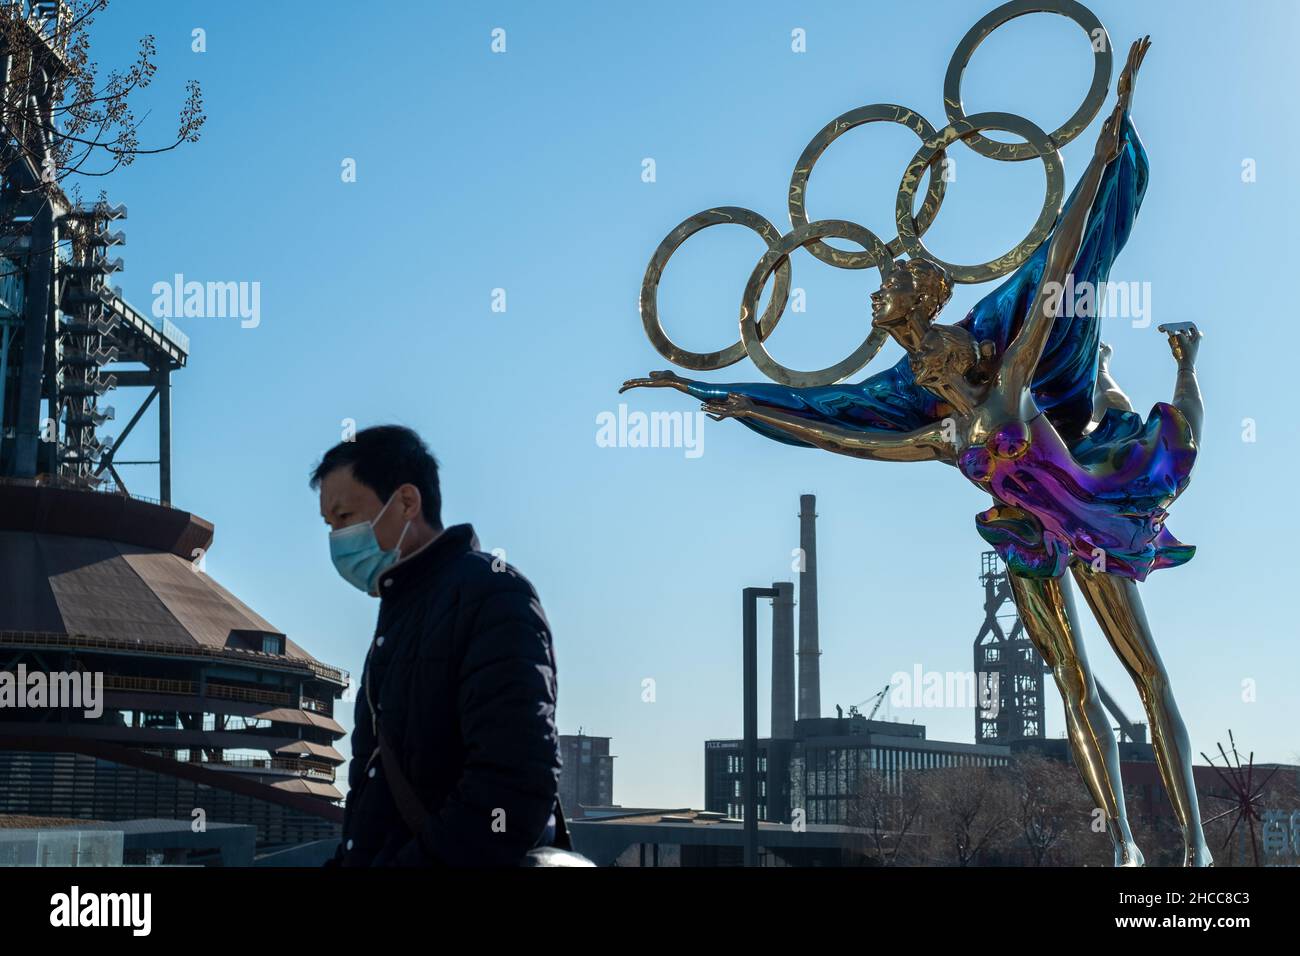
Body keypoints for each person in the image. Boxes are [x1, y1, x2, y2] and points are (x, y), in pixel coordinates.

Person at [624, 39, 1213, 867]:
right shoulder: (932, 422)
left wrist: (1105, 148)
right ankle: (1120, 844)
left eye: (894, 289)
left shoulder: (1003, 365)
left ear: (929, 301)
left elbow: (1064, 257)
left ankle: (1195, 851)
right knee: (1074, 688)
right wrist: (725, 398)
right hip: (1023, 528)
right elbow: (833, 428)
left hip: (1086, 505)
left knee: (1145, 675)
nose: (882, 299)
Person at [311, 425, 562, 866]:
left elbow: (513, 784)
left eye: (345, 518)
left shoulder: (492, 595)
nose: (337, 540)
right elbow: (372, 799)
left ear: (407, 502)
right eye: (330, 526)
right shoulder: (397, 622)